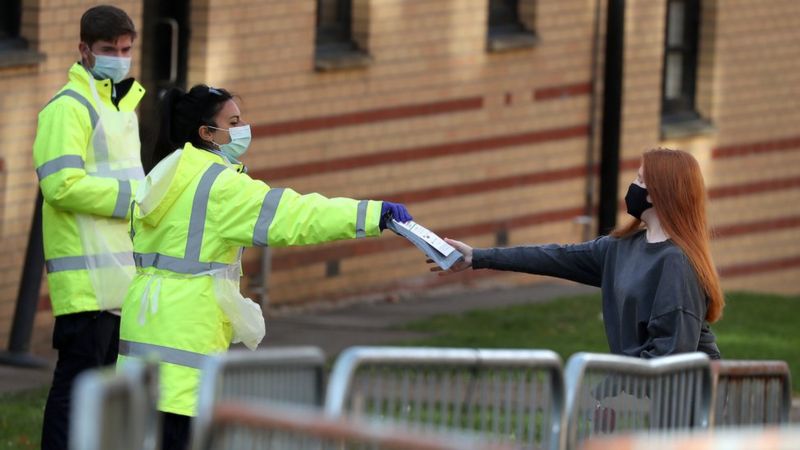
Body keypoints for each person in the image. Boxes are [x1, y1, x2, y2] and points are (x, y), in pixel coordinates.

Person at [116, 84, 413, 450]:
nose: (244, 129)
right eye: (234, 122)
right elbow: (294, 216)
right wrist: (370, 213)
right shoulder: (220, 185)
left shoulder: (162, 173)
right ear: (207, 133)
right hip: (187, 334)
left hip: (143, 324)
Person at [433, 148, 723, 360]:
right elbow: (555, 257)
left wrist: (620, 387)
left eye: (640, 180)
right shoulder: (621, 247)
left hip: (689, 410)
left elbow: (672, 356)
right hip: (644, 397)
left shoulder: (677, 262)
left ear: (656, 194)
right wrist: (477, 257)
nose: (632, 186)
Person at [33, 6, 145, 449]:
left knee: (101, 395)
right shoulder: (67, 107)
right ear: (84, 50)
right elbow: (59, 185)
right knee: (76, 390)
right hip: (86, 283)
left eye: (126, 49)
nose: (119, 57)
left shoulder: (123, 107)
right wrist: (133, 201)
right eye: (108, 50)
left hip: (118, 277)